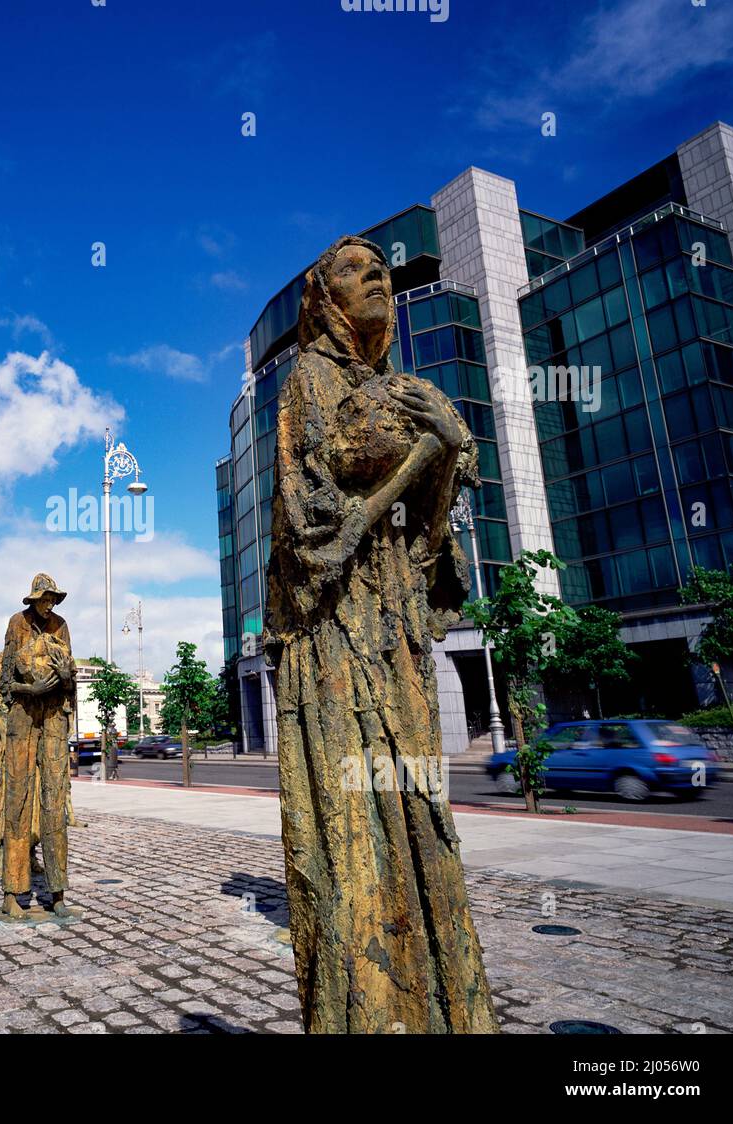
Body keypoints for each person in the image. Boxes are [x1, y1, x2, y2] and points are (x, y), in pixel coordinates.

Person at [265, 236, 495, 1033]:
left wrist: (451, 450)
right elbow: (316, 526)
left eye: (383, 270)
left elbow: (427, 546)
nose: (378, 279)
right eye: (355, 271)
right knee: (357, 830)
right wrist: (423, 452)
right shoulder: (309, 381)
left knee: (417, 816)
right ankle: (370, 1010)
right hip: (334, 637)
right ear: (325, 298)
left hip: (393, 632)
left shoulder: (401, 388)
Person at [0, 574, 76, 917]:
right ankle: (12, 894)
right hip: (23, 716)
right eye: (45, 599)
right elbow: (5, 684)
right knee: (18, 796)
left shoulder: (61, 626)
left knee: (54, 799)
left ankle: (57, 893)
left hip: (54, 717)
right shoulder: (17, 624)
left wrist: (66, 676)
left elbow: (71, 681)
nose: (50, 604)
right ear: (33, 600)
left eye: (53, 599)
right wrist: (32, 690)